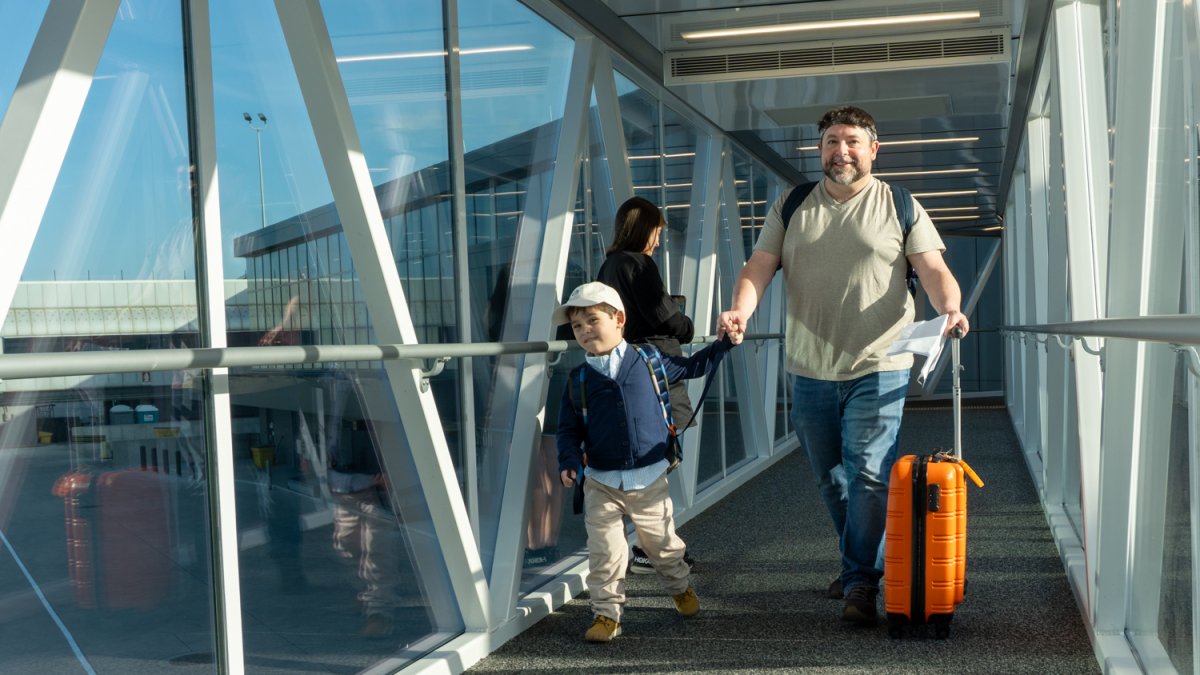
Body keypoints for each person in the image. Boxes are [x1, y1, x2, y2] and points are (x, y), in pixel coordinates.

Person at [716, 105, 970, 626]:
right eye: (832, 141)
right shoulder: (792, 204)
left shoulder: (899, 204)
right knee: (830, 478)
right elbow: (759, 266)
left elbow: (933, 268)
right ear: (820, 150)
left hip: (881, 362)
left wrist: (950, 308)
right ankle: (862, 563)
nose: (841, 151)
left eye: (852, 141)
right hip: (809, 367)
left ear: (873, 149)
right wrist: (739, 311)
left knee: (870, 476)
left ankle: (860, 582)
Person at [554, 281, 741, 643]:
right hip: (601, 481)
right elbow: (568, 429)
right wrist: (569, 460)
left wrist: (724, 344)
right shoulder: (579, 380)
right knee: (605, 552)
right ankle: (607, 614)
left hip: (649, 478)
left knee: (662, 546)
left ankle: (679, 586)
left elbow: (692, 366)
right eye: (577, 326)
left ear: (619, 319)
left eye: (592, 320)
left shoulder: (649, 361)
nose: (584, 330)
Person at [595, 196, 696, 574]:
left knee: (649, 459)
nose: (658, 239)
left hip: (626, 367)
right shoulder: (639, 263)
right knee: (660, 457)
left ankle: (650, 545)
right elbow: (664, 316)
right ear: (643, 230)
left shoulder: (608, 265)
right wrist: (686, 325)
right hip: (655, 367)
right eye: (656, 231)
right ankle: (648, 547)